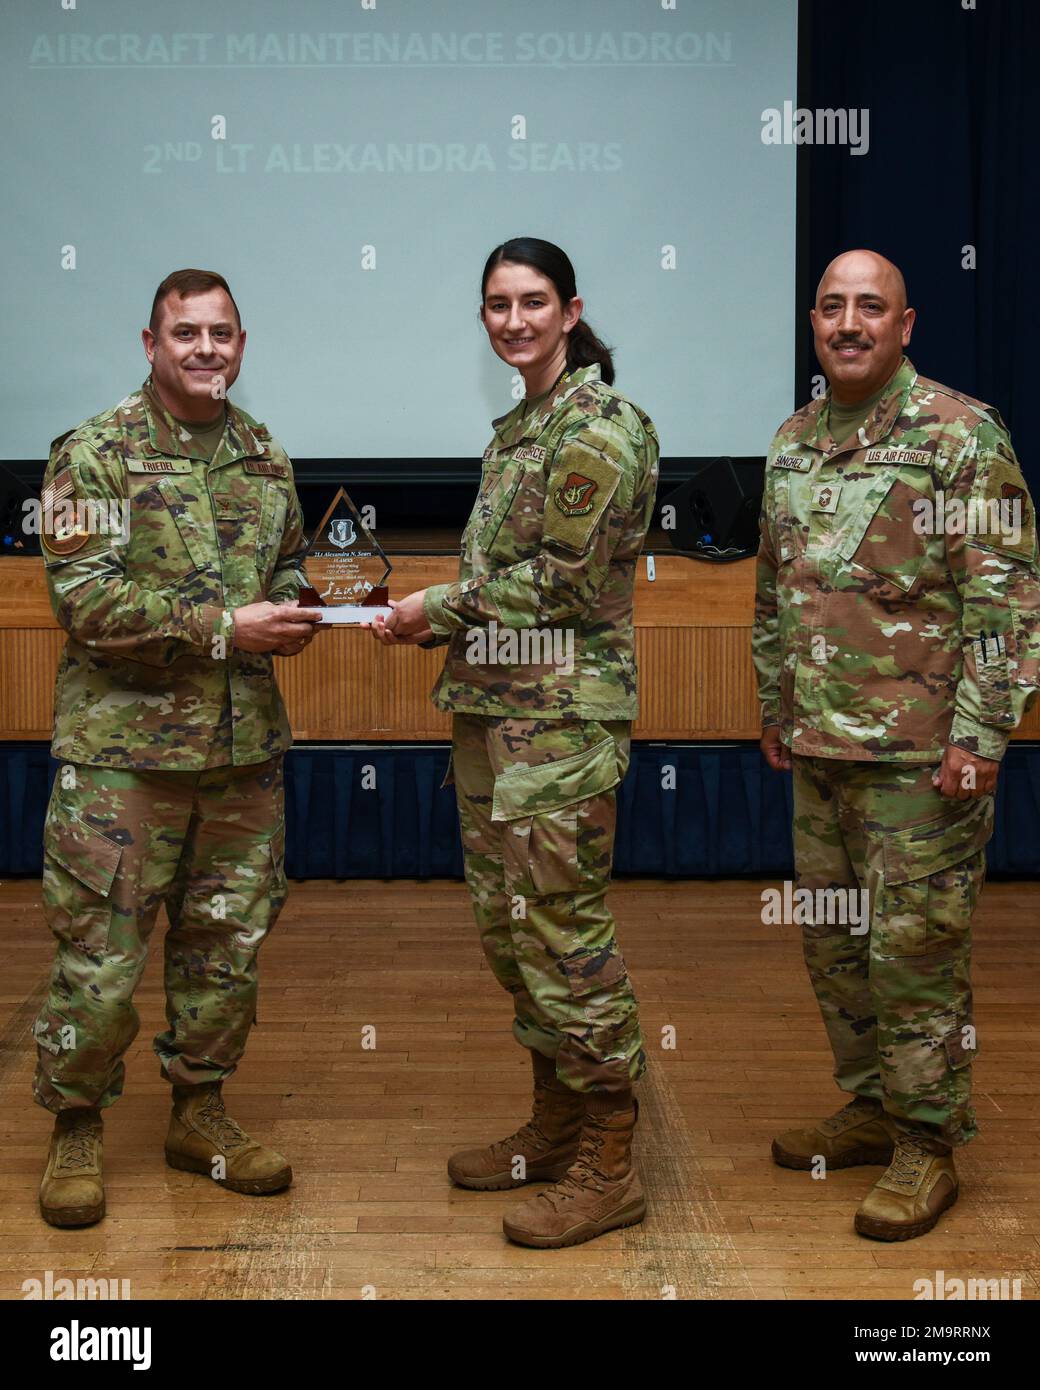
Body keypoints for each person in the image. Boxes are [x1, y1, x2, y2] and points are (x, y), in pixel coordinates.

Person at [368, 237, 659, 1248]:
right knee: (511, 934)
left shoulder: (599, 426)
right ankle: (556, 1123)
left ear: (570, 310)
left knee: (563, 938)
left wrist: (432, 609)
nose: (513, 320)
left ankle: (611, 1160)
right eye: (496, 303)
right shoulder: (520, 429)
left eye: (532, 302)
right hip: (495, 716)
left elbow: (561, 585)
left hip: (560, 725)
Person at [753, 249, 1040, 1240]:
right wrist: (772, 705)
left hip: (922, 763)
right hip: (820, 750)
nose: (846, 323)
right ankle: (874, 1103)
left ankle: (927, 1141)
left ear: (903, 325)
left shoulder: (959, 436)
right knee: (835, 950)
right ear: (811, 320)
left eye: (867, 307)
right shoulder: (791, 439)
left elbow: (1002, 595)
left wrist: (981, 732)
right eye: (830, 307)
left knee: (914, 954)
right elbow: (773, 589)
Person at [34, 269, 322, 1227]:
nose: (206, 350)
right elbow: (87, 604)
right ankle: (76, 1122)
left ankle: (200, 1112)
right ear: (149, 344)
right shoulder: (97, 455)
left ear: (244, 343)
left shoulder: (263, 453)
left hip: (241, 755)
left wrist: (302, 605)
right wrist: (225, 627)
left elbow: (283, 564)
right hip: (123, 763)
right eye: (185, 333)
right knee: (100, 960)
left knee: (226, 950)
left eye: (222, 334)